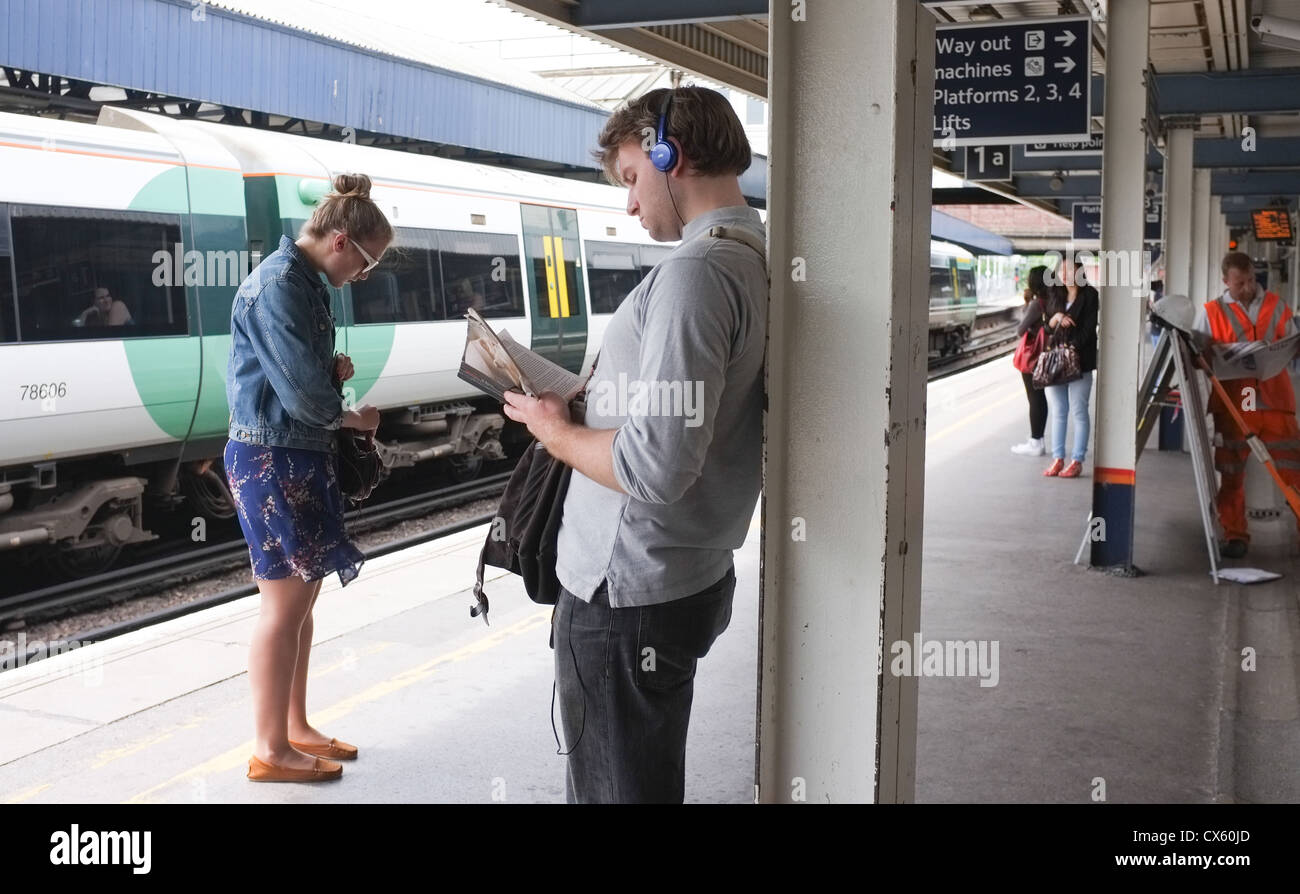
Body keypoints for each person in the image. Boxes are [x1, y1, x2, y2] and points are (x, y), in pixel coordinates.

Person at [501, 86, 766, 803]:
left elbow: (656, 464)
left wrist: (553, 430)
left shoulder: (695, 274)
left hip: (629, 588)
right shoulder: (754, 254)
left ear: (667, 156)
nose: (628, 204)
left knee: (615, 791)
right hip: (687, 568)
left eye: (629, 180)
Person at [224, 173, 390, 782]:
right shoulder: (279, 287)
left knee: (302, 598)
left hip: (292, 454)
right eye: (368, 262)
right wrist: (353, 416)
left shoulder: (302, 281)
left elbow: (292, 373)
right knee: (283, 604)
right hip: (274, 458)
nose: (365, 276)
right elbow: (302, 398)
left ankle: (295, 727)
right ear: (342, 241)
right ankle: (271, 749)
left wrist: (330, 367)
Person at [1191, 251, 1300, 559]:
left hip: (1275, 401)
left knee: (1294, 471)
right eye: (1240, 283)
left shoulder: (1277, 306)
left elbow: (1293, 345)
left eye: (1251, 279)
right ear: (1226, 282)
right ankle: (1235, 535)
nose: (1248, 287)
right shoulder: (1210, 312)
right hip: (1236, 403)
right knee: (1232, 473)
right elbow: (1197, 357)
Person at [1042, 250, 1099, 478]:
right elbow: (1046, 327)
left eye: (1069, 269)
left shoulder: (1090, 296)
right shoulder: (1054, 294)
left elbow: (1088, 330)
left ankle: (1077, 459)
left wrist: (1070, 347)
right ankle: (1057, 458)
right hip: (1055, 363)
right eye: (1061, 270)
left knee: (1079, 410)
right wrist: (1055, 319)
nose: (1065, 274)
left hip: (1080, 363)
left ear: (1079, 271)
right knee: (1058, 411)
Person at [1011, 265, 1050, 456]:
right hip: (1046, 355)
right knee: (1040, 397)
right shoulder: (1052, 300)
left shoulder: (1036, 304)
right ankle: (1038, 439)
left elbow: (1020, 330)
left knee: (1034, 398)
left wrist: (1027, 303)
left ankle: (1036, 441)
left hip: (1033, 358)